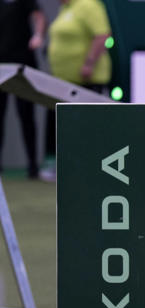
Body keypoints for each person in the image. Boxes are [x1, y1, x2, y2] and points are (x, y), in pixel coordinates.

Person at [43, 0, 112, 175]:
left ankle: (94, 166)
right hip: (63, 80)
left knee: (88, 125)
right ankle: (62, 167)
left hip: (87, 80)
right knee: (60, 125)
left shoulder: (89, 5)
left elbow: (102, 35)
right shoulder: (66, 8)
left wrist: (89, 63)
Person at [0, 0, 46, 179]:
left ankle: (33, 166)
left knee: (26, 116)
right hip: (1, 68)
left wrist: (38, 35)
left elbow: (39, 17)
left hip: (22, 68)